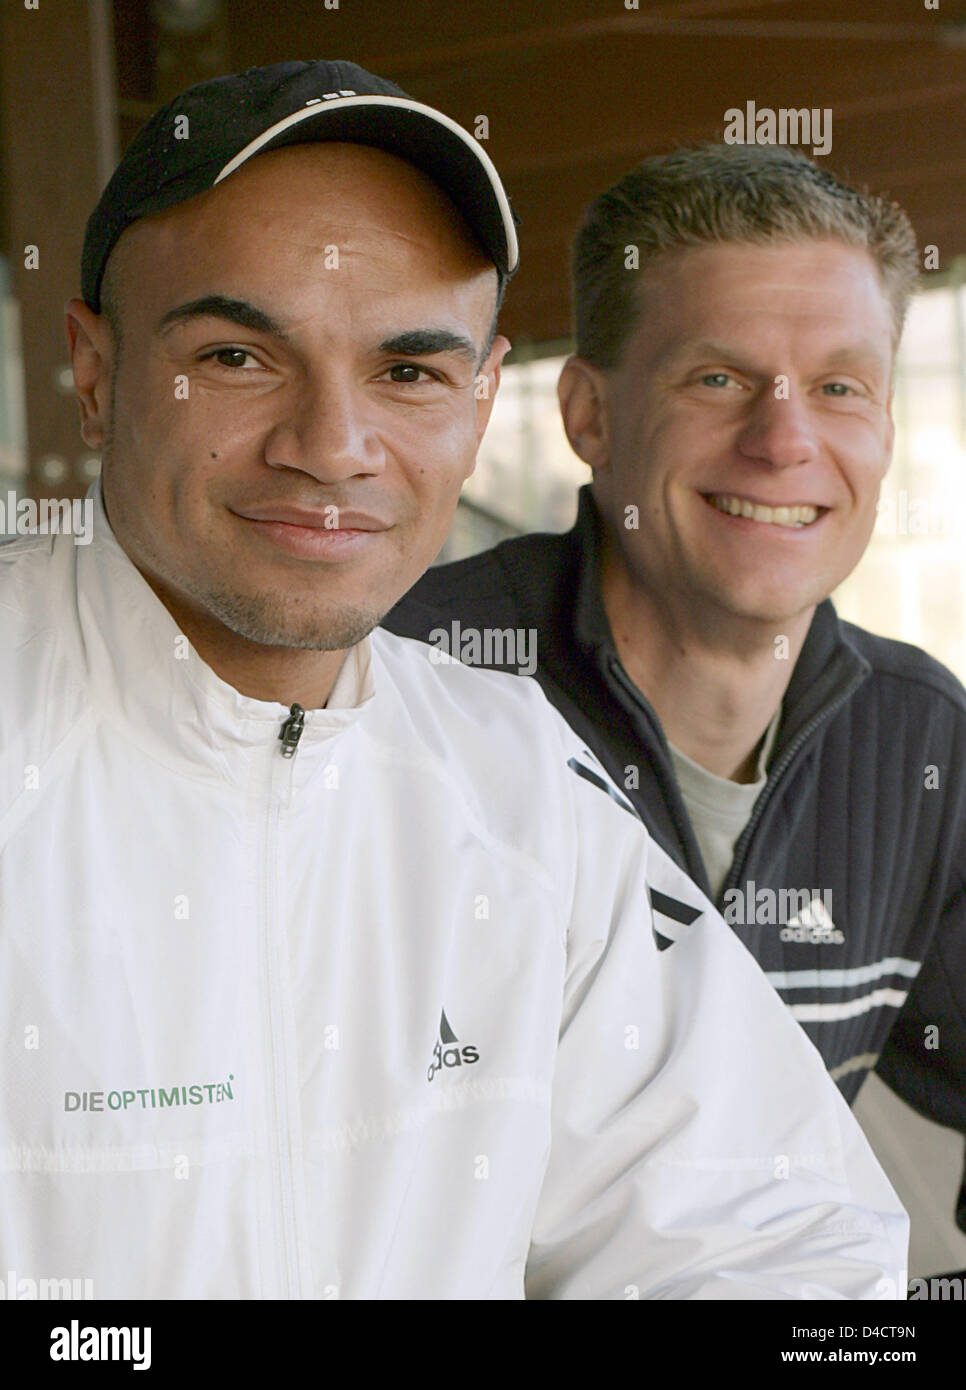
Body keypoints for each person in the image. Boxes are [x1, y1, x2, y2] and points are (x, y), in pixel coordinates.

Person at [0, 61, 907, 1301]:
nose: (331, 445)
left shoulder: (513, 778)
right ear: (95, 375)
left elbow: (778, 1236)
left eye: (410, 372)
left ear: (483, 402)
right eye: (236, 356)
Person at [385, 144, 966, 1248]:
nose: (785, 439)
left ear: (886, 427)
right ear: (588, 416)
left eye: (840, 387)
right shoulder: (408, 685)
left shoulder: (920, 738)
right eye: (717, 379)